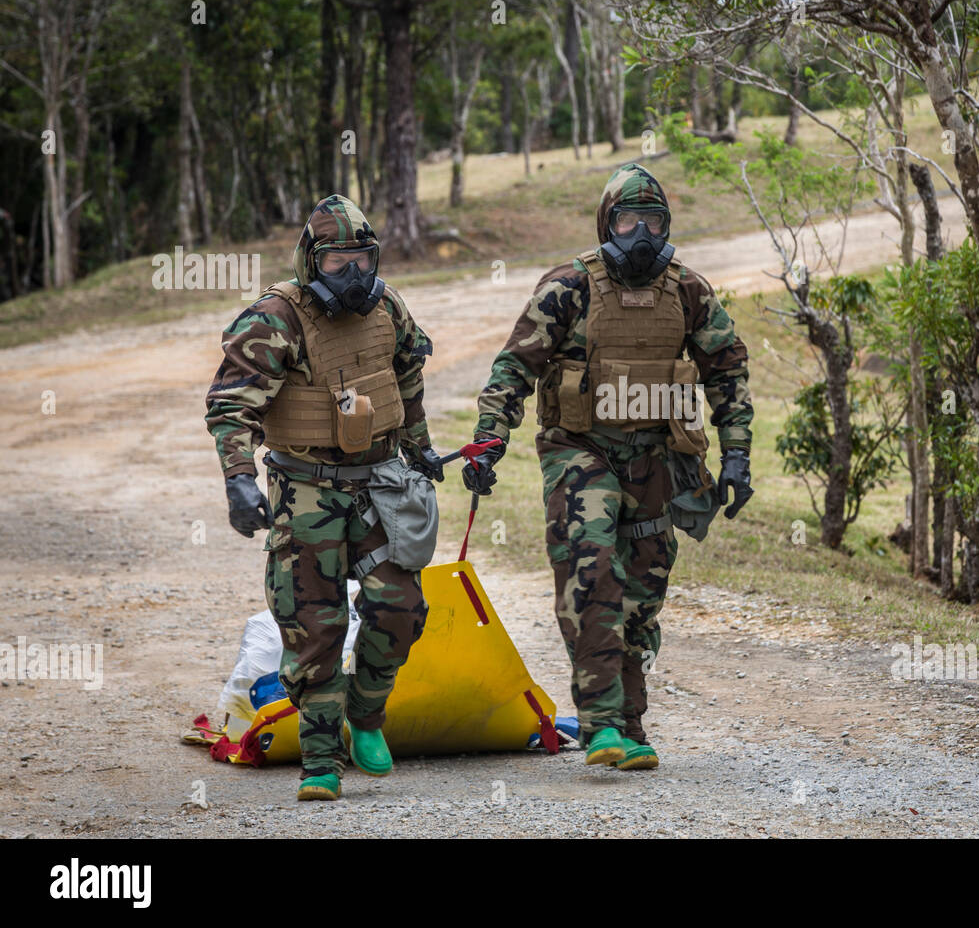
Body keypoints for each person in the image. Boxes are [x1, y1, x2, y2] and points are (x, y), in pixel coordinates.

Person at [466, 163, 754, 770]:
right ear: (607, 224)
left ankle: (630, 722)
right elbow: (512, 369)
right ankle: (601, 725)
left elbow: (726, 372)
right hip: (581, 450)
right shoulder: (569, 286)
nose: (642, 234)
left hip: (656, 456)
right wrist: (489, 440)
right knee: (592, 571)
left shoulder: (689, 291)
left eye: (654, 222)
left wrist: (737, 456)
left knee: (643, 592)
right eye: (629, 221)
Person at [205, 194, 443, 801]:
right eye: (339, 263)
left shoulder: (387, 305)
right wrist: (238, 479)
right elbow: (231, 405)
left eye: (363, 259)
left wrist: (420, 450)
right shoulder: (275, 316)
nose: (355, 274)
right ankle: (320, 760)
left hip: (377, 486)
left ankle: (365, 714)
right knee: (314, 625)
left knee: (400, 607)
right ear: (312, 261)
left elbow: (408, 376)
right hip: (304, 487)